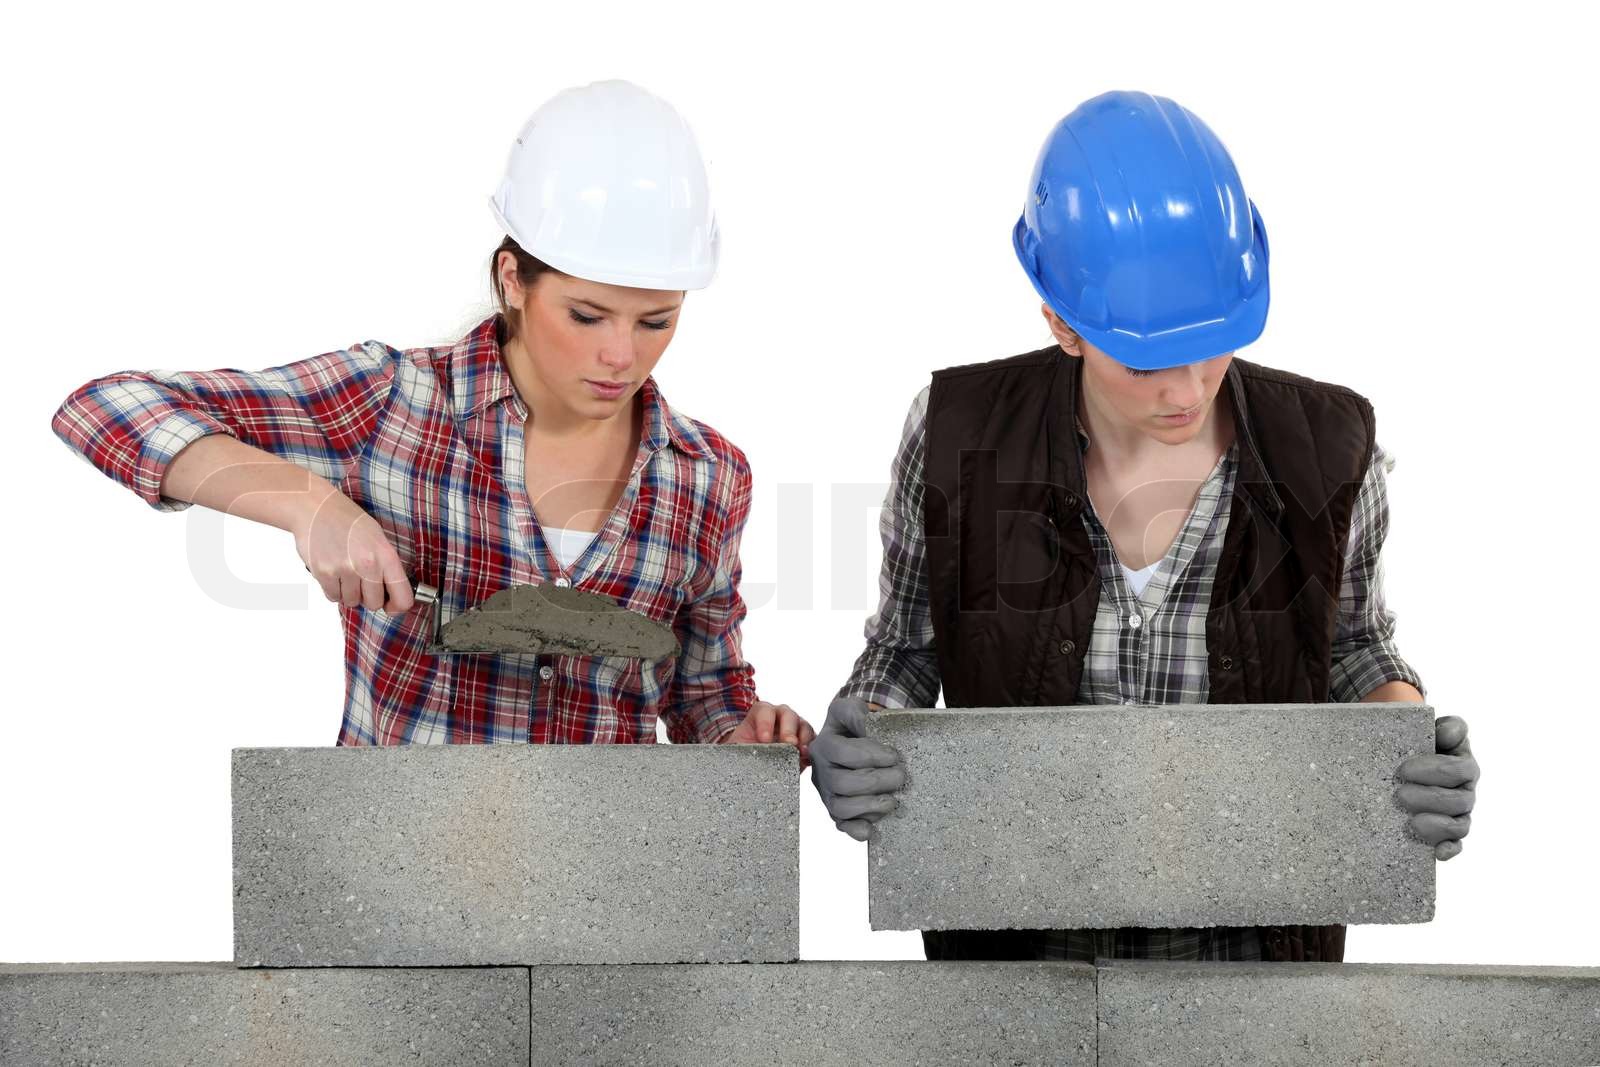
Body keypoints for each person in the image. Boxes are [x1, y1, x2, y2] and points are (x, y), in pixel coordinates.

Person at [809, 90, 1477, 963]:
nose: (1188, 390)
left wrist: (1406, 734)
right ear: (1061, 321)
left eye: (1214, 341)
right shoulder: (955, 436)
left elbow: (1352, 646)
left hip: (1254, 965)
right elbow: (907, 650)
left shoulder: (1328, 448)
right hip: (1020, 962)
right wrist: (867, 726)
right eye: (1147, 360)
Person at [51, 79, 813, 763]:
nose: (621, 354)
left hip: (603, 902)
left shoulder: (708, 476)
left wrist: (746, 731)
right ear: (513, 279)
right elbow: (108, 407)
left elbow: (703, 697)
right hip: (392, 889)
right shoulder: (396, 405)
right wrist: (309, 504)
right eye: (586, 314)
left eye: (656, 320)